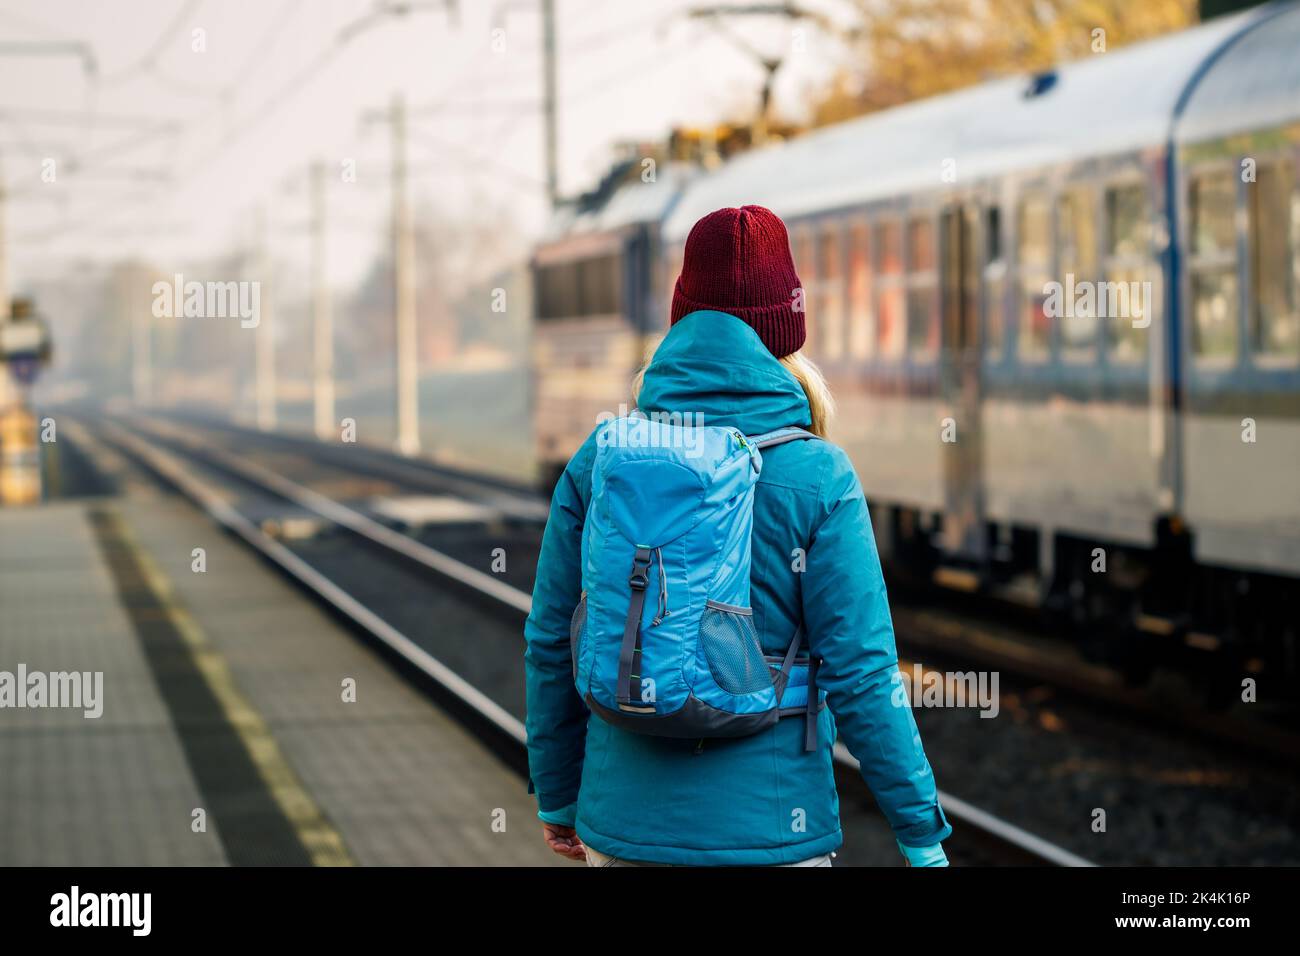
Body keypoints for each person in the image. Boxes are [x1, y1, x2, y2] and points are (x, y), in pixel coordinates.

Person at [524, 205, 951, 867]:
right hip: (773, 831)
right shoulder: (818, 475)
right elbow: (863, 674)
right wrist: (920, 834)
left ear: (680, 320)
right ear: (788, 332)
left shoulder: (600, 461)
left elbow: (552, 639)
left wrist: (556, 795)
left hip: (622, 827)